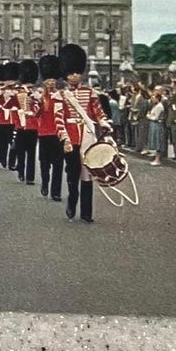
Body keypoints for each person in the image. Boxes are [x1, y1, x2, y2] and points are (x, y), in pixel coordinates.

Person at [54, 43, 112, 223]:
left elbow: (98, 112)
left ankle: (87, 212)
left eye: (78, 72)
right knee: (73, 174)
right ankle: (72, 203)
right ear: (66, 74)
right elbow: (58, 119)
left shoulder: (90, 92)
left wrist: (103, 122)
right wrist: (64, 139)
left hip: (87, 135)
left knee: (87, 174)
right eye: (72, 73)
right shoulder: (60, 95)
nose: (75, 76)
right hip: (71, 136)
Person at [35, 55, 64, 202]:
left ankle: (56, 191)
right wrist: (39, 101)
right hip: (44, 133)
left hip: (57, 133)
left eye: (53, 80)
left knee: (58, 164)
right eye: (49, 80)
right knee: (45, 163)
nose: (51, 82)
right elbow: (36, 113)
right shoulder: (40, 97)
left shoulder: (61, 95)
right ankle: (45, 183)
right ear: (44, 81)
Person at [11, 58, 40, 185]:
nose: (29, 88)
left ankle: (30, 177)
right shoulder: (17, 95)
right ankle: (21, 171)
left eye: (31, 87)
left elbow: (40, 110)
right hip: (21, 127)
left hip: (33, 127)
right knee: (21, 151)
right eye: (27, 86)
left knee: (32, 153)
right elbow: (9, 107)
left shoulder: (37, 95)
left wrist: (36, 101)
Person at [147, 89, 165, 165]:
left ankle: (158, 159)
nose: (152, 100)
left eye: (154, 98)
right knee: (155, 141)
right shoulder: (156, 106)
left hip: (156, 125)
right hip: (153, 125)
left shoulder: (159, 106)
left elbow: (155, 117)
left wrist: (148, 116)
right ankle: (156, 158)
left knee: (157, 141)